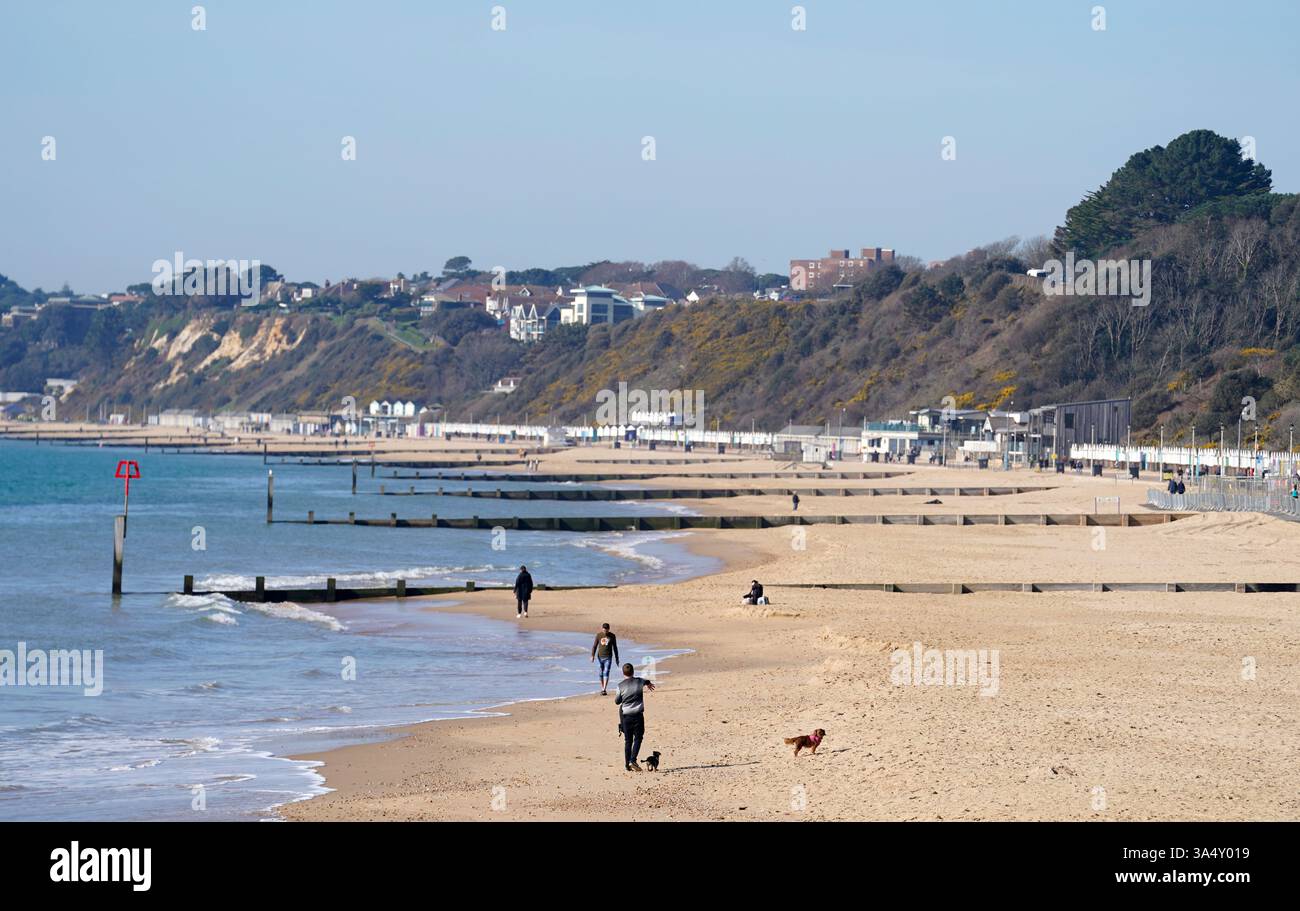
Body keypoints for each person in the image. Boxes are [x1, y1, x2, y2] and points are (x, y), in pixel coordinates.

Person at [615, 663, 655, 771]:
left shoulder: (620, 686)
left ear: (623, 673)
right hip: (638, 716)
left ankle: (627, 765)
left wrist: (625, 696)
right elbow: (645, 681)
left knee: (628, 741)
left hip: (626, 717)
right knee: (638, 738)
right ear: (633, 672)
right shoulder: (639, 681)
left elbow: (617, 701)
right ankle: (632, 760)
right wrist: (649, 683)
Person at [591, 623, 620, 695]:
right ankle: (602, 687)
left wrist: (617, 658)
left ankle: (604, 689)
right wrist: (592, 655)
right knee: (600, 673)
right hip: (599, 657)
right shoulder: (599, 635)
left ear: (608, 629)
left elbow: (615, 647)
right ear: (602, 628)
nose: (605, 630)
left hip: (608, 657)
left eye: (606, 629)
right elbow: (594, 646)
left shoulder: (612, 636)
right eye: (604, 629)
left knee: (606, 672)